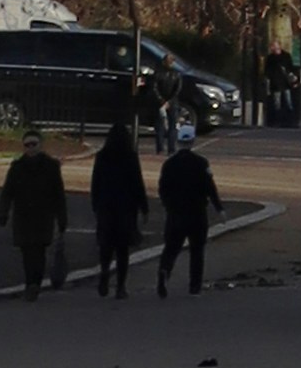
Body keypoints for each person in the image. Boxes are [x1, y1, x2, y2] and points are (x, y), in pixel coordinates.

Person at [0, 134, 68, 299]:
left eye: (33, 144)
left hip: (43, 215)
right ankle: (30, 283)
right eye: (27, 145)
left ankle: (35, 282)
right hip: (23, 215)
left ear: (40, 145)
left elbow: (59, 194)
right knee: (27, 251)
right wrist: (3, 212)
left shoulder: (51, 166)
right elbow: (8, 191)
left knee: (39, 250)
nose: (30, 148)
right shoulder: (17, 167)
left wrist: (62, 218)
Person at [155, 118, 219, 298]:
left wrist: (167, 204)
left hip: (175, 212)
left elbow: (162, 188)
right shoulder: (201, 163)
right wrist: (218, 207)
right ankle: (194, 286)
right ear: (192, 141)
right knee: (197, 250)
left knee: (171, 247)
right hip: (197, 212)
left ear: (178, 141)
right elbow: (209, 186)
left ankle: (164, 270)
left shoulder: (169, 164)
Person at [88, 113, 148, 299]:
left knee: (106, 247)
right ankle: (120, 286)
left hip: (106, 206)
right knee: (123, 250)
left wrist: (96, 204)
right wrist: (143, 207)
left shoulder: (102, 157)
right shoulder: (130, 157)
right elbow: (137, 183)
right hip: (126, 208)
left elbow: (95, 182)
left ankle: (104, 273)